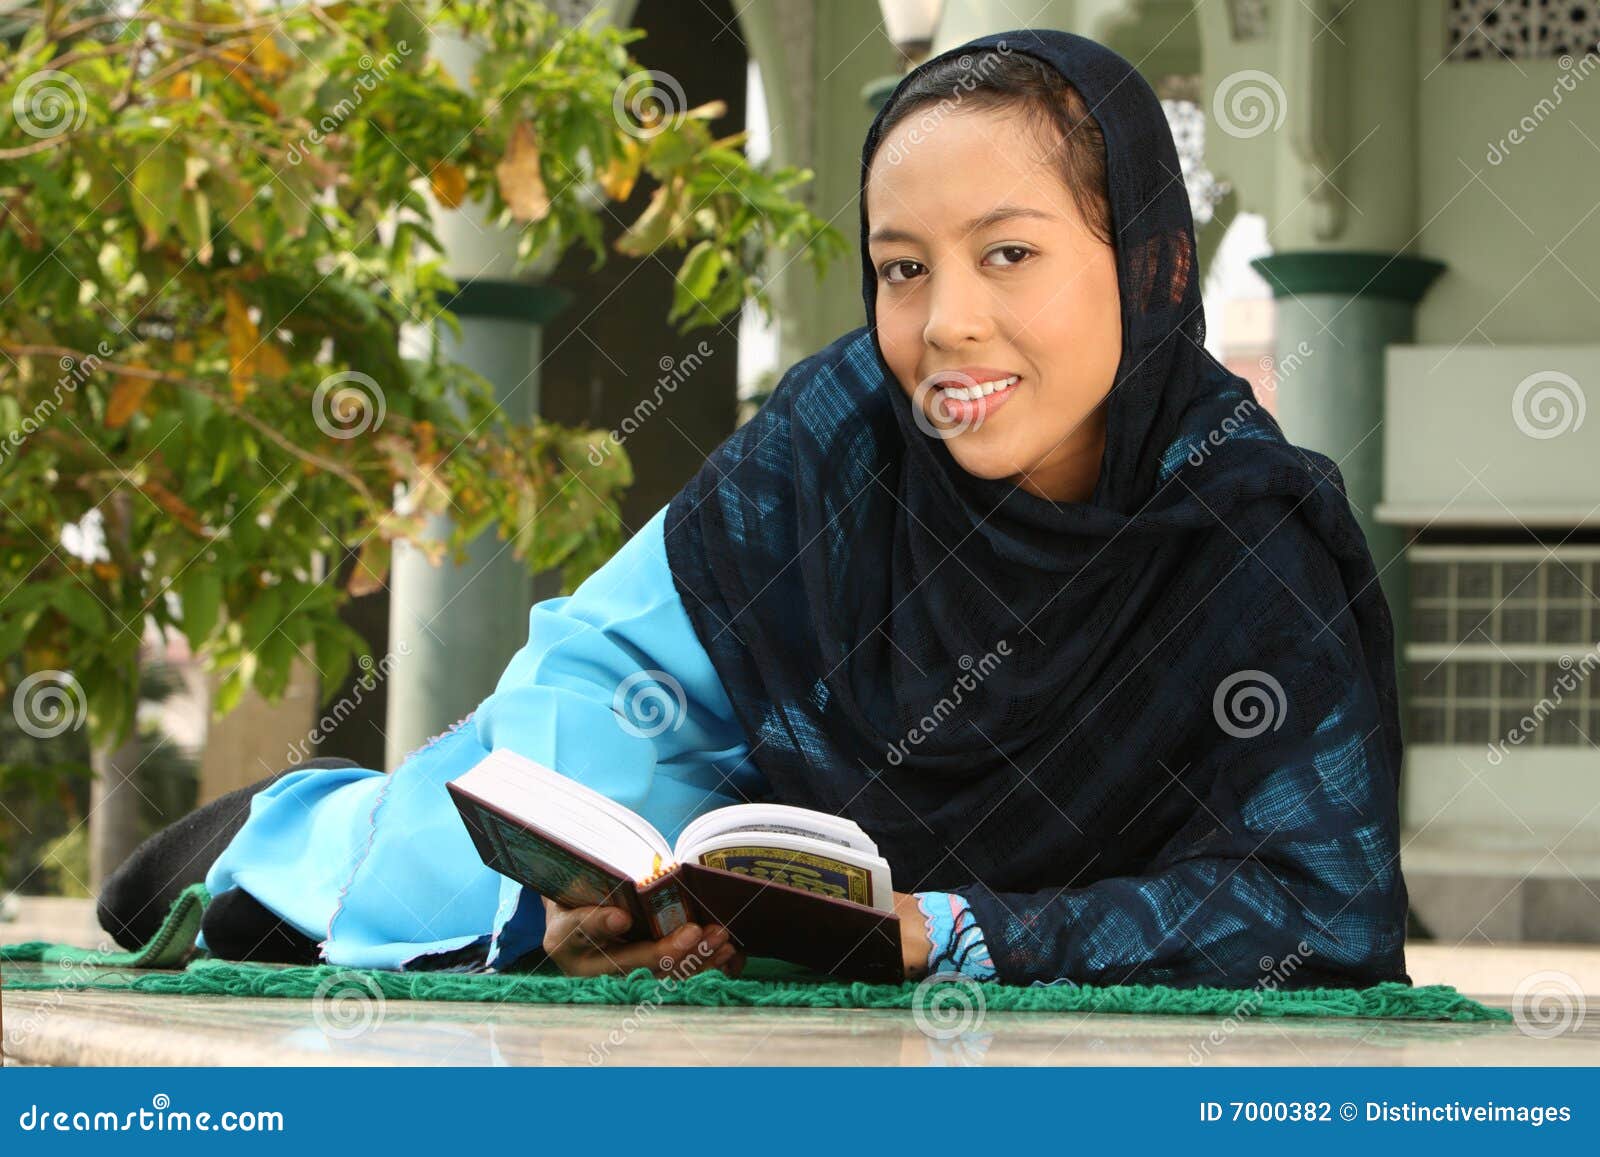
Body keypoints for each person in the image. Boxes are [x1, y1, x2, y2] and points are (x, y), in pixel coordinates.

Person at [97, 28, 1410, 990]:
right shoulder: (840, 438)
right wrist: (563, 905)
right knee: (481, 855)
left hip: (884, 871)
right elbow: (623, 672)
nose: (947, 322)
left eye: (1008, 252)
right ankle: (281, 838)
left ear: (1151, 264)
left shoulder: (1246, 529)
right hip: (711, 727)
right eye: (903, 268)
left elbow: (1322, 906)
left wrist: (958, 930)